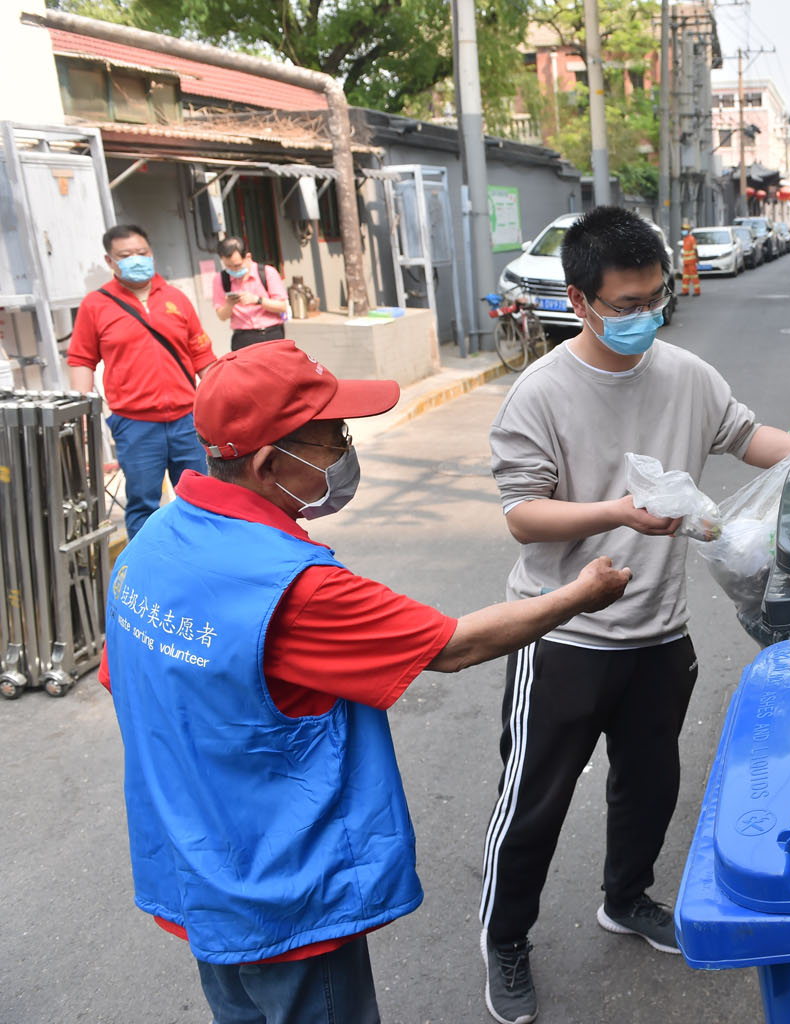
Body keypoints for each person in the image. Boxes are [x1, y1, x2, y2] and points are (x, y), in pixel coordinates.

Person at [101, 338, 631, 1024]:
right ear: (267, 463)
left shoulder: (151, 547)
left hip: (199, 873)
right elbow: (454, 645)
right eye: (333, 440)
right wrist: (577, 596)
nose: (347, 453)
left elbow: (135, 688)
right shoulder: (294, 588)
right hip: (281, 893)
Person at [481, 205, 790, 1024]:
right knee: (534, 799)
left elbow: (746, 437)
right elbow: (523, 513)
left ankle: (626, 896)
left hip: (658, 631)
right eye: (625, 303)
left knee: (651, 782)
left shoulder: (686, 375)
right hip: (561, 629)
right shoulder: (541, 393)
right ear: (581, 299)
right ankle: (506, 939)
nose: (644, 315)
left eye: (655, 297)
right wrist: (618, 512)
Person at [68, 224, 217, 538]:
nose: (136, 259)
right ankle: (146, 574)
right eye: (126, 255)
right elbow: (82, 359)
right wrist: (80, 414)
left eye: (142, 253)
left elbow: (202, 353)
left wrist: (223, 399)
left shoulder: (176, 298)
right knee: (143, 504)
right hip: (134, 425)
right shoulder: (96, 305)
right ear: (110, 261)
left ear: (152, 253)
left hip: (187, 420)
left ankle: (204, 564)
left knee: (204, 499)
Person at [212, 236, 289, 349]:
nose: (234, 270)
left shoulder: (267, 272)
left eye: (237, 265)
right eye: (228, 266)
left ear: (248, 257)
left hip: (271, 334)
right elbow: (222, 316)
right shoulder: (220, 279)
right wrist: (229, 304)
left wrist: (257, 300)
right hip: (242, 337)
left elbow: (282, 307)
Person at [679, 224, 701, 296]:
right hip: (686, 262)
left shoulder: (691, 239)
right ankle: (685, 291)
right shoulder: (685, 239)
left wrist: (697, 259)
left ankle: (697, 291)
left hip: (691, 262)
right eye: (682, 230)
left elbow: (695, 249)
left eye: (684, 230)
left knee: (694, 277)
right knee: (685, 278)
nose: (683, 231)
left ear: (688, 230)